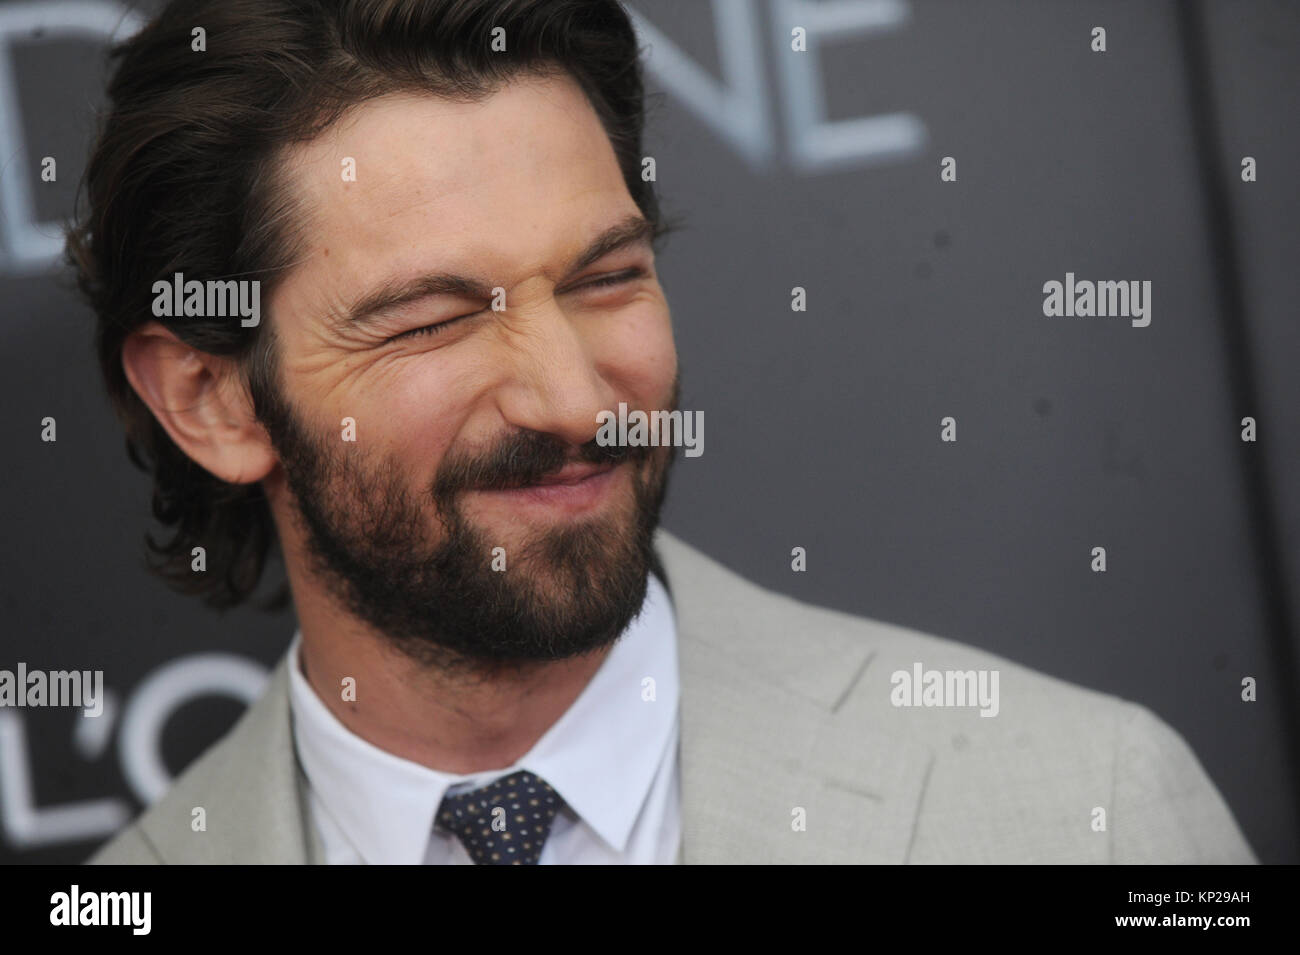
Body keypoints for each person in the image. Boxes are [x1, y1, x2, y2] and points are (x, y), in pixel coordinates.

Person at [75, 0, 1254, 864]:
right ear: (211, 399)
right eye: (434, 321)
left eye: (604, 279)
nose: (577, 399)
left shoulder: (1084, 810)